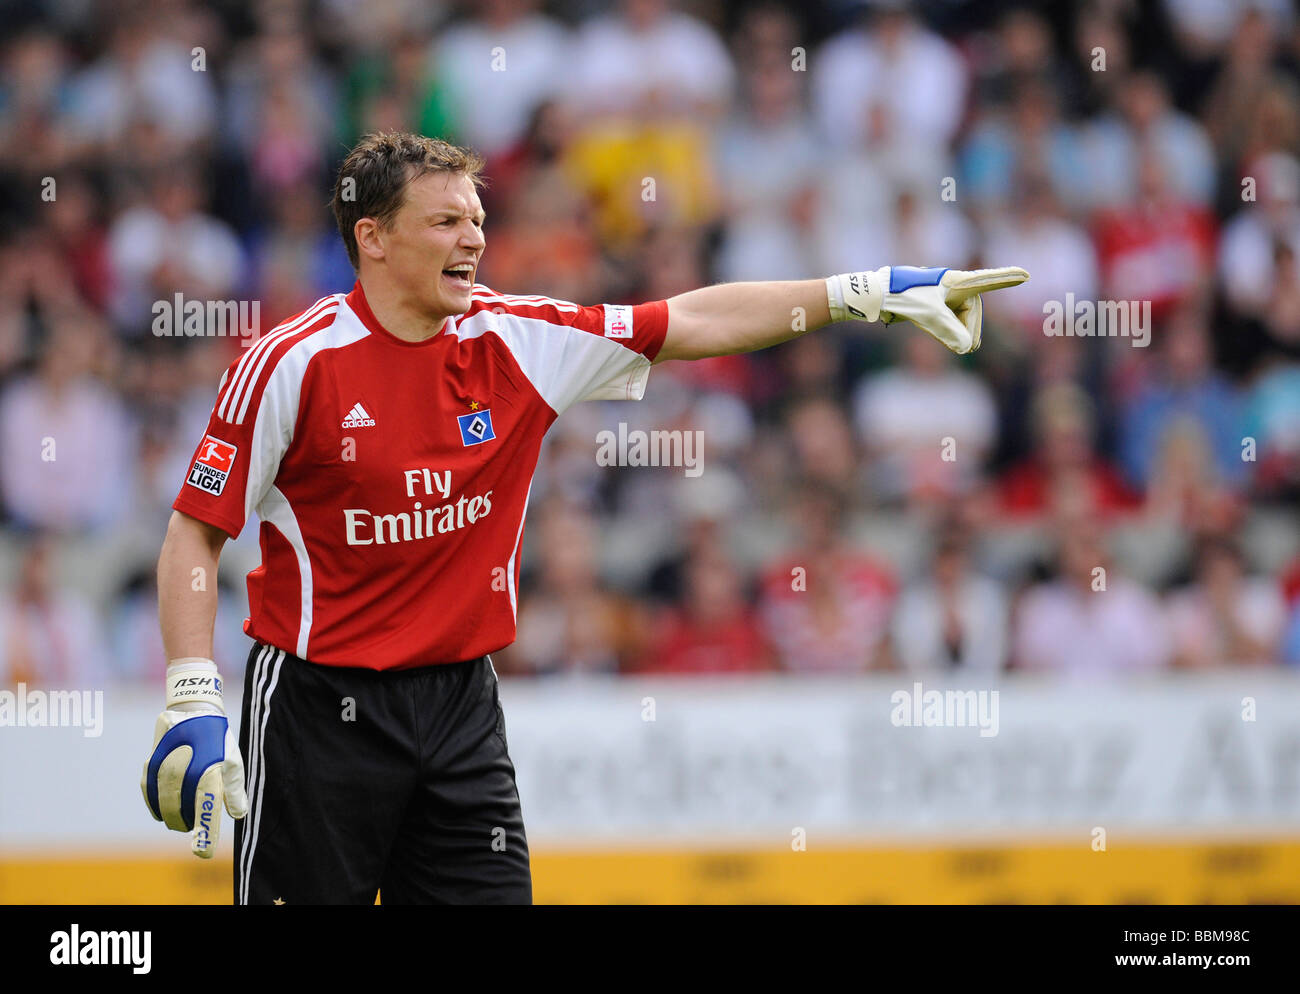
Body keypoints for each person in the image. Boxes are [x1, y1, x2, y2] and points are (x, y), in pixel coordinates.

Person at [140, 130, 1027, 905]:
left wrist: (861, 291)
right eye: (446, 221)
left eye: (477, 219)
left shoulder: (522, 339)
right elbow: (195, 531)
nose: (474, 237)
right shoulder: (291, 365)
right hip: (315, 703)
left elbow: (692, 319)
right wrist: (190, 691)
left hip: (461, 707)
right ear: (372, 238)